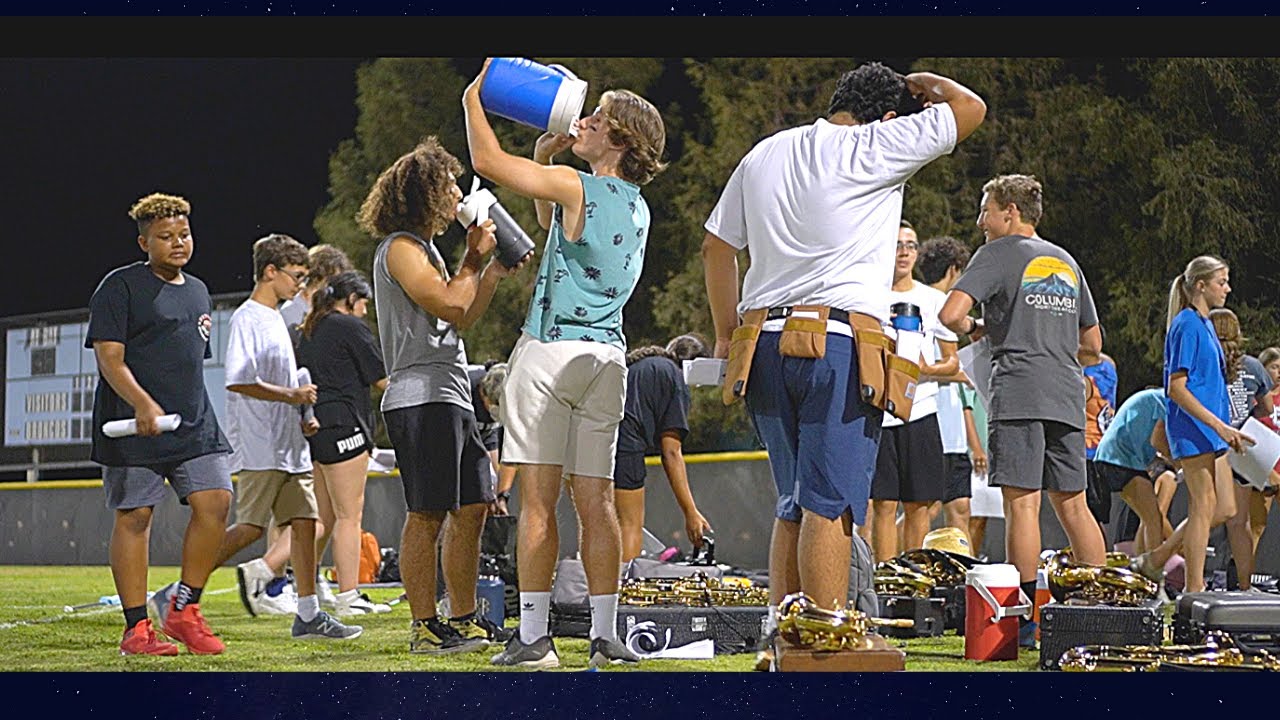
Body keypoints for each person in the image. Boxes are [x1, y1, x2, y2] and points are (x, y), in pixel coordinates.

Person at [702, 59, 985, 643]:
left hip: (763, 343)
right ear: (885, 118)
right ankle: (825, 647)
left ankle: (784, 644)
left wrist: (727, 334)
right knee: (829, 506)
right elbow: (970, 110)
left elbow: (716, 247)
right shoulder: (874, 143)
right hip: (837, 343)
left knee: (793, 501)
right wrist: (927, 86)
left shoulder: (765, 152)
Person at [463, 58, 668, 669]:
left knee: (537, 503)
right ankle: (605, 636)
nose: (584, 120)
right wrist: (550, 154)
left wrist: (475, 98)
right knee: (597, 503)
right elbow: (556, 229)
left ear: (619, 140)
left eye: (597, 119)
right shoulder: (634, 205)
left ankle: (533, 638)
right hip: (608, 358)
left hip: (550, 353)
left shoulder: (580, 187)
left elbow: (488, 166)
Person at [148, 233, 360, 641]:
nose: (300, 284)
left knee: (305, 522)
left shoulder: (278, 319)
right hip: (261, 445)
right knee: (249, 529)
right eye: (295, 275)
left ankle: (308, 614)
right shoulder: (248, 317)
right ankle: (177, 593)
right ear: (270, 272)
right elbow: (240, 380)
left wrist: (303, 414)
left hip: (289, 445)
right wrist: (292, 395)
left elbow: (285, 381)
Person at [360, 137, 522, 654]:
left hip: (451, 393)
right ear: (424, 194)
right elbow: (453, 303)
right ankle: (425, 627)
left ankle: (465, 616)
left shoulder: (426, 250)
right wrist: (472, 261)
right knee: (427, 513)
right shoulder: (401, 249)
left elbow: (465, 314)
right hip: (419, 397)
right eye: (449, 184)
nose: (457, 193)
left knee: (475, 505)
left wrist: (490, 271)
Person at [939, 173, 1106, 649]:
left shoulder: (996, 254)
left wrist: (981, 325)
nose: (979, 221)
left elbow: (950, 316)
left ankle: (1026, 621)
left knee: (1023, 505)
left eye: (985, 210)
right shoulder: (1066, 261)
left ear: (1009, 212)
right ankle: (1098, 606)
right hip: (1067, 394)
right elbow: (1093, 345)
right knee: (1074, 505)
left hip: (1019, 391)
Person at [88, 192, 234, 655]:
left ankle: (184, 609)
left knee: (216, 502)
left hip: (192, 422)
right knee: (135, 517)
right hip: (132, 423)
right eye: (165, 237)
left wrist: (177, 408)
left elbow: (188, 364)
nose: (178, 243)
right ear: (143, 242)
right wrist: (142, 403)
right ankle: (136, 630)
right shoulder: (119, 286)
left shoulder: (198, 290)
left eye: (184, 234)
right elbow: (109, 360)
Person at [1130, 256, 1254, 594]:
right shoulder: (1186, 325)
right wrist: (1220, 425)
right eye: (1221, 282)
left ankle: (1158, 559)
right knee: (1203, 507)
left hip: (1211, 431)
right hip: (1195, 429)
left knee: (1224, 507)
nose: (1227, 289)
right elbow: (1176, 387)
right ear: (1200, 285)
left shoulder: (1204, 324)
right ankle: (1194, 589)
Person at [297, 270, 394, 615]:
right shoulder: (349, 327)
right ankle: (348, 596)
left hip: (316, 428)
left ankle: (304, 590)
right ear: (351, 299)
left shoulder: (310, 328)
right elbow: (383, 379)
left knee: (323, 516)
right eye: (363, 303)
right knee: (349, 516)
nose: (365, 311)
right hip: (345, 427)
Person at [869, 222, 960, 562]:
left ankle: (913, 578)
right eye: (897, 245)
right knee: (883, 504)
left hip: (920, 410)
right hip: (879, 410)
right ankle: (883, 580)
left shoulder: (933, 300)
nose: (904, 251)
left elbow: (952, 363)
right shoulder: (868, 297)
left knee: (919, 505)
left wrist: (926, 369)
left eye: (910, 245)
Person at [614, 334, 714, 563]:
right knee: (629, 525)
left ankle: (594, 590)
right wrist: (690, 512)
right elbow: (671, 452)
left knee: (598, 523)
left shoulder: (641, 365)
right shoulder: (675, 379)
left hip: (591, 439)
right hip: (625, 445)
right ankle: (620, 593)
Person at [1208, 307, 1273, 590]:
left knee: (1202, 515)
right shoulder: (1254, 366)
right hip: (1244, 448)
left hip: (1213, 444)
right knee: (1239, 522)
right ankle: (1245, 586)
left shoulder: (1207, 361)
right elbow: (1267, 407)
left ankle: (1193, 580)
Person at [1092, 388, 1173, 558]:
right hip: (1121, 459)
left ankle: (1143, 568)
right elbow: (1158, 440)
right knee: (1154, 519)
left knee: (1148, 518)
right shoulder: (1167, 402)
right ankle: (1153, 573)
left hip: (1112, 457)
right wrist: (1178, 463)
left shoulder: (1156, 398)